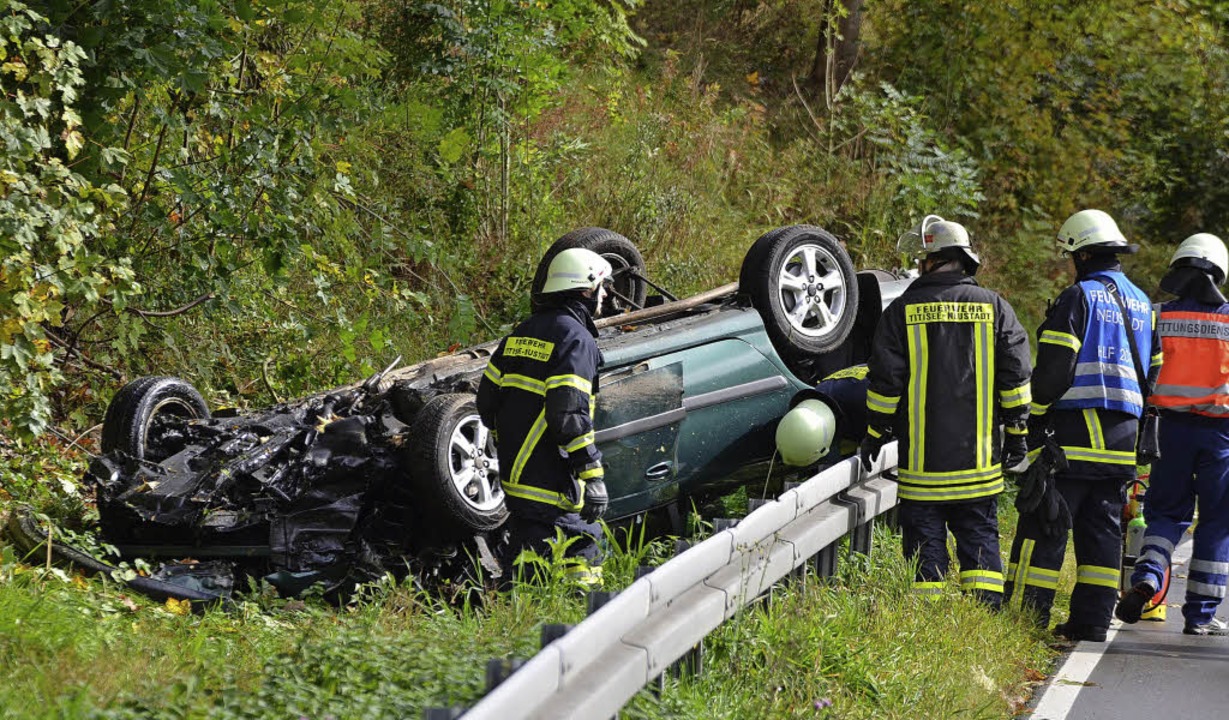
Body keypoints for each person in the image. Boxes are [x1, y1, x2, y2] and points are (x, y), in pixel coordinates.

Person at [1004, 209, 1161, 642]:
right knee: (1103, 530)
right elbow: (1156, 371)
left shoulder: (1080, 297)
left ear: (1084, 254)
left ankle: (1022, 619)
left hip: (1075, 434)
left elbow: (1054, 372)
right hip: (1124, 440)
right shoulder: (1143, 303)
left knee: (1046, 520)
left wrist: (1031, 419)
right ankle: (1091, 622)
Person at [860, 216, 1033, 609]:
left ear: (933, 260)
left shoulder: (902, 310)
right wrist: (1018, 433)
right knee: (980, 540)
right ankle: (986, 617)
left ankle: (929, 620)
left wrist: (875, 431)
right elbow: (1016, 376)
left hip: (923, 467)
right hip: (979, 464)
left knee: (925, 545)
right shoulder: (995, 307)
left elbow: (886, 381)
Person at [476, 247, 612, 590]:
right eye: (603, 287)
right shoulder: (577, 340)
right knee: (585, 550)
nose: (606, 295)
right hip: (555, 485)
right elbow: (568, 412)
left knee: (527, 567)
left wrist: (512, 437)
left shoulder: (520, 334)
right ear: (587, 288)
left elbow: (486, 402)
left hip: (517, 484)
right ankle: (585, 619)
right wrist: (591, 472)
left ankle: (520, 623)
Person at [1116, 233, 1229, 636]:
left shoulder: (1157, 315)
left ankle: (1147, 576)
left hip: (1166, 431)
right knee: (1217, 522)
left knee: (1165, 514)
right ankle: (1199, 616)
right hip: (1221, 437)